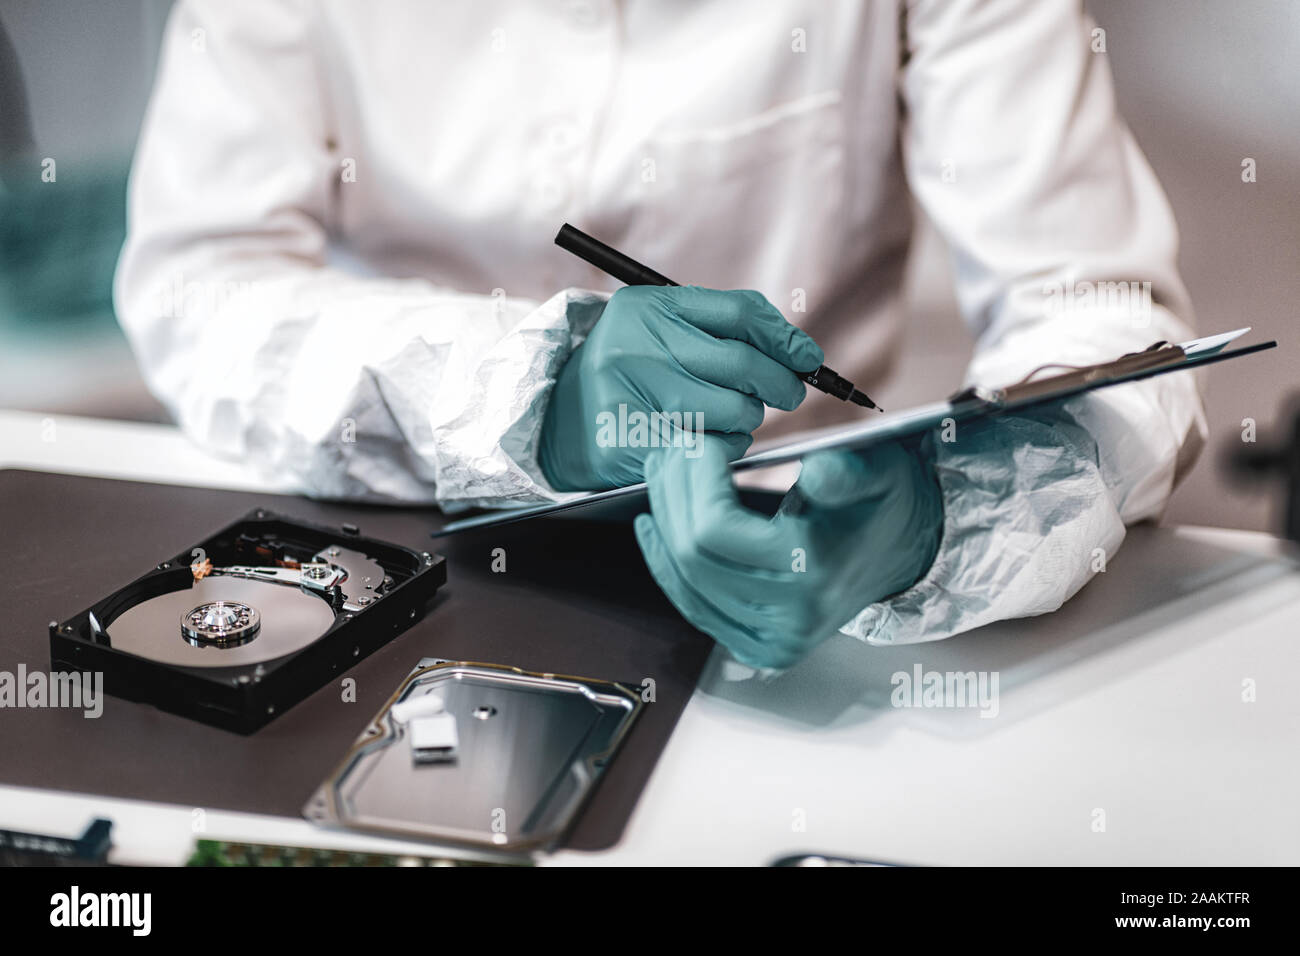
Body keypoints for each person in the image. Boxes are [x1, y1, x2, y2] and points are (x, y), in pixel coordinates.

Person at [115, 0, 1205, 668]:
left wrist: (946, 516)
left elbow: (1095, 309)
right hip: (364, 539)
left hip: (806, 564)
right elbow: (196, 288)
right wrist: (537, 391)